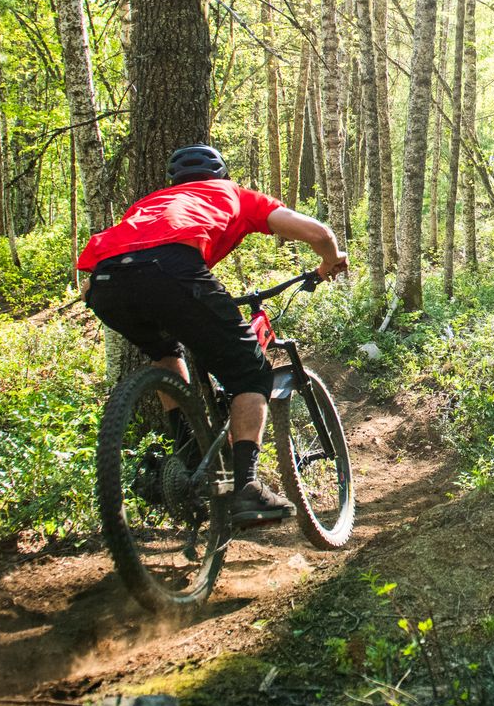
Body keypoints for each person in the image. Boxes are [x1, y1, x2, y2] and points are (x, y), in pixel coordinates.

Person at [77, 144, 348, 528]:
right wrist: (329, 260)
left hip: (106, 282)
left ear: (174, 181)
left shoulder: (149, 203)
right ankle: (247, 488)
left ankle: (188, 459)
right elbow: (316, 231)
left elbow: (108, 267)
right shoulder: (235, 195)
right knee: (251, 372)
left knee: (166, 353)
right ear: (221, 175)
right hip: (172, 272)